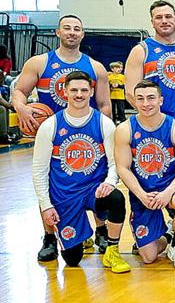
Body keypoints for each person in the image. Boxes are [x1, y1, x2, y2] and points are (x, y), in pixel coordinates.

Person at [13, 14, 112, 262]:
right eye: (66, 28)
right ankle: (49, 237)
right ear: (58, 32)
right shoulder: (39, 62)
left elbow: (104, 104)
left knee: (97, 181)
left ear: (82, 34)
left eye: (76, 29)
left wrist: (105, 132)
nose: (71, 32)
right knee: (48, 183)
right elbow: (19, 91)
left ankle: (100, 231)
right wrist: (22, 108)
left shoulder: (95, 67)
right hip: (53, 135)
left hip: (89, 137)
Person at [31, 71, 129, 273]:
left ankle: (112, 249)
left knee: (117, 198)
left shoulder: (104, 123)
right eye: (74, 90)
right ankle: (76, 237)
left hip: (93, 189)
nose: (79, 94)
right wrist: (46, 206)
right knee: (72, 260)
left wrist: (110, 183)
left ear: (92, 92)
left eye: (84, 90)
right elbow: (39, 170)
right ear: (65, 91)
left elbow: (114, 163)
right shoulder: (50, 125)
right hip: (64, 195)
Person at [125, 0, 175, 237]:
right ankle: (158, 229)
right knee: (152, 175)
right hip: (154, 130)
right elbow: (131, 91)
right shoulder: (141, 50)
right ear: (151, 21)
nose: (164, 21)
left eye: (168, 16)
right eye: (159, 17)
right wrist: (153, 119)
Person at [114, 80, 175, 270]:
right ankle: (167, 234)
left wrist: (168, 193)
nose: (146, 103)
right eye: (140, 99)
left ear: (161, 100)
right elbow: (123, 168)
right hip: (143, 192)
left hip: (169, 188)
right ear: (134, 101)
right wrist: (141, 195)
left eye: (151, 98)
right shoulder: (125, 130)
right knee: (149, 257)